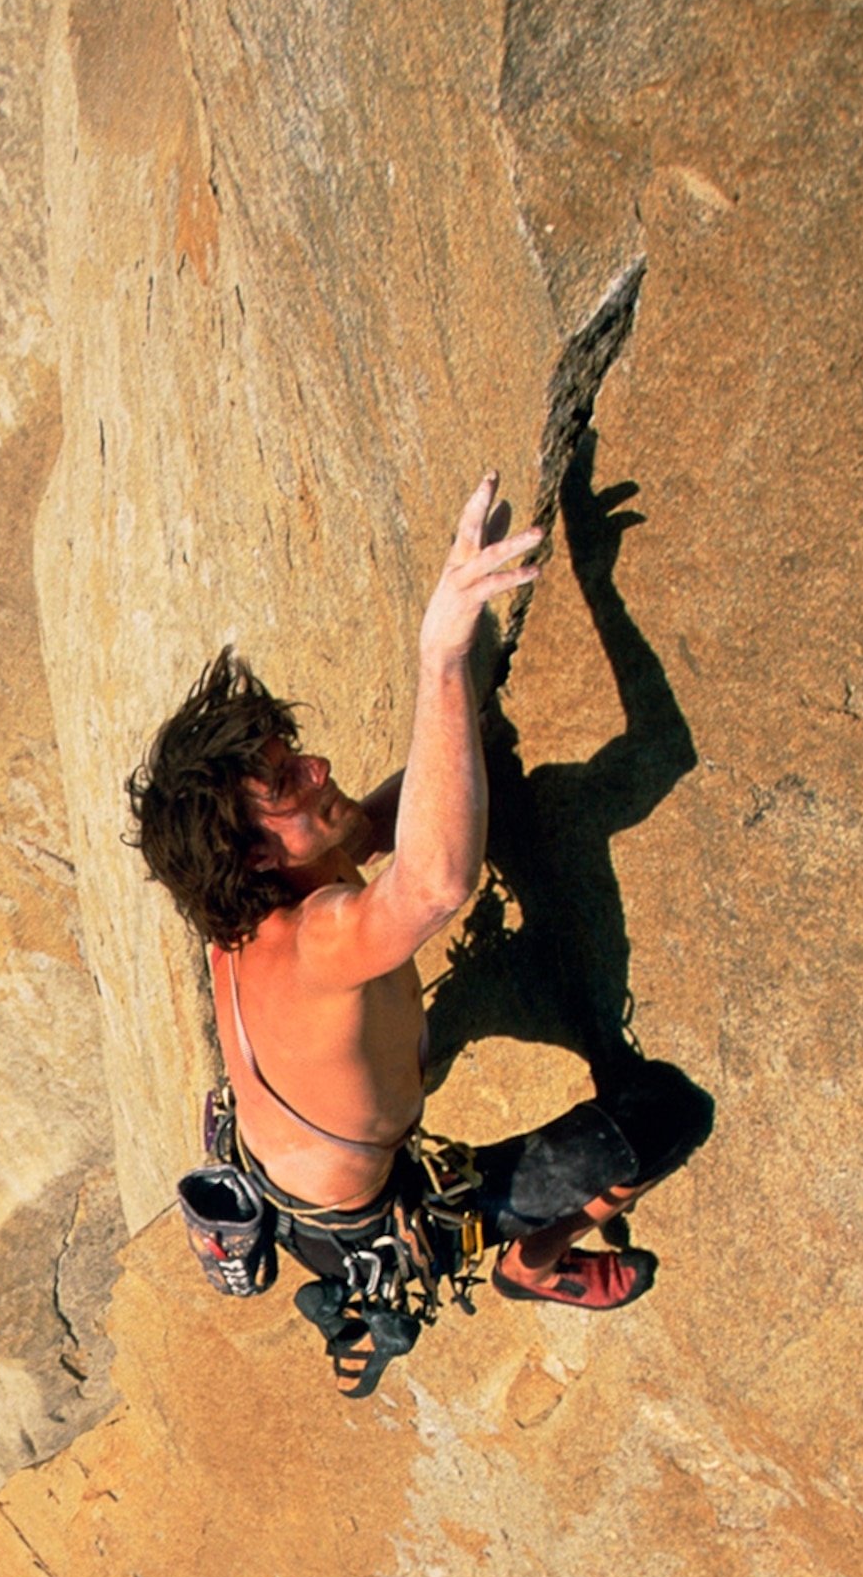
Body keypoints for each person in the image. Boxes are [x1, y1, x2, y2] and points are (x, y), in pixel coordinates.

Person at [127, 472, 703, 1396]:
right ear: (255, 853)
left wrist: (467, 724)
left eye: (291, 756)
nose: (316, 767)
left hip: (301, 1180)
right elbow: (435, 880)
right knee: (664, 1119)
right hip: (377, 1223)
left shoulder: (244, 899)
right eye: (287, 783)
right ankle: (534, 1263)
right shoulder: (313, 938)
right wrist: (440, 661)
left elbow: (391, 822)